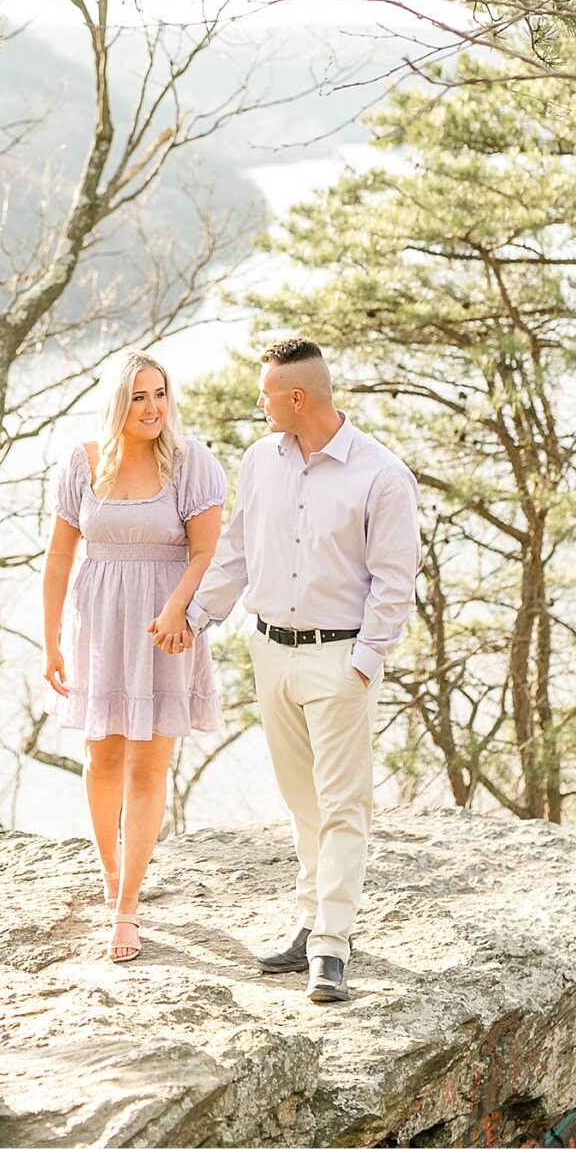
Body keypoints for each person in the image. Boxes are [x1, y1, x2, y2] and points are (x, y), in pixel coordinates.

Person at [181, 336, 420, 1006]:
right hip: (270, 651)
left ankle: (331, 947)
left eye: (265, 394)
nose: (257, 403)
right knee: (301, 801)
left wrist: (362, 665)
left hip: (338, 658)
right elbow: (234, 555)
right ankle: (312, 918)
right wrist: (194, 621)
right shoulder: (260, 461)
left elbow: (394, 582)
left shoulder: (379, 475)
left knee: (344, 806)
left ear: (295, 398)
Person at [42, 349, 227, 963]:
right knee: (101, 759)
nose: (153, 408)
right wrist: (51, 643)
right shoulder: (83, 462)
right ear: (118, 402)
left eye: (161, 394)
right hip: (97, 625)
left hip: (162, 626)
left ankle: (127, 908)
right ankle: (110, 870)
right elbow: (60, 560)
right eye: (140, 396)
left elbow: (207, 553)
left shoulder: (190, 462)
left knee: (148, 767)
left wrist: (178, 611)